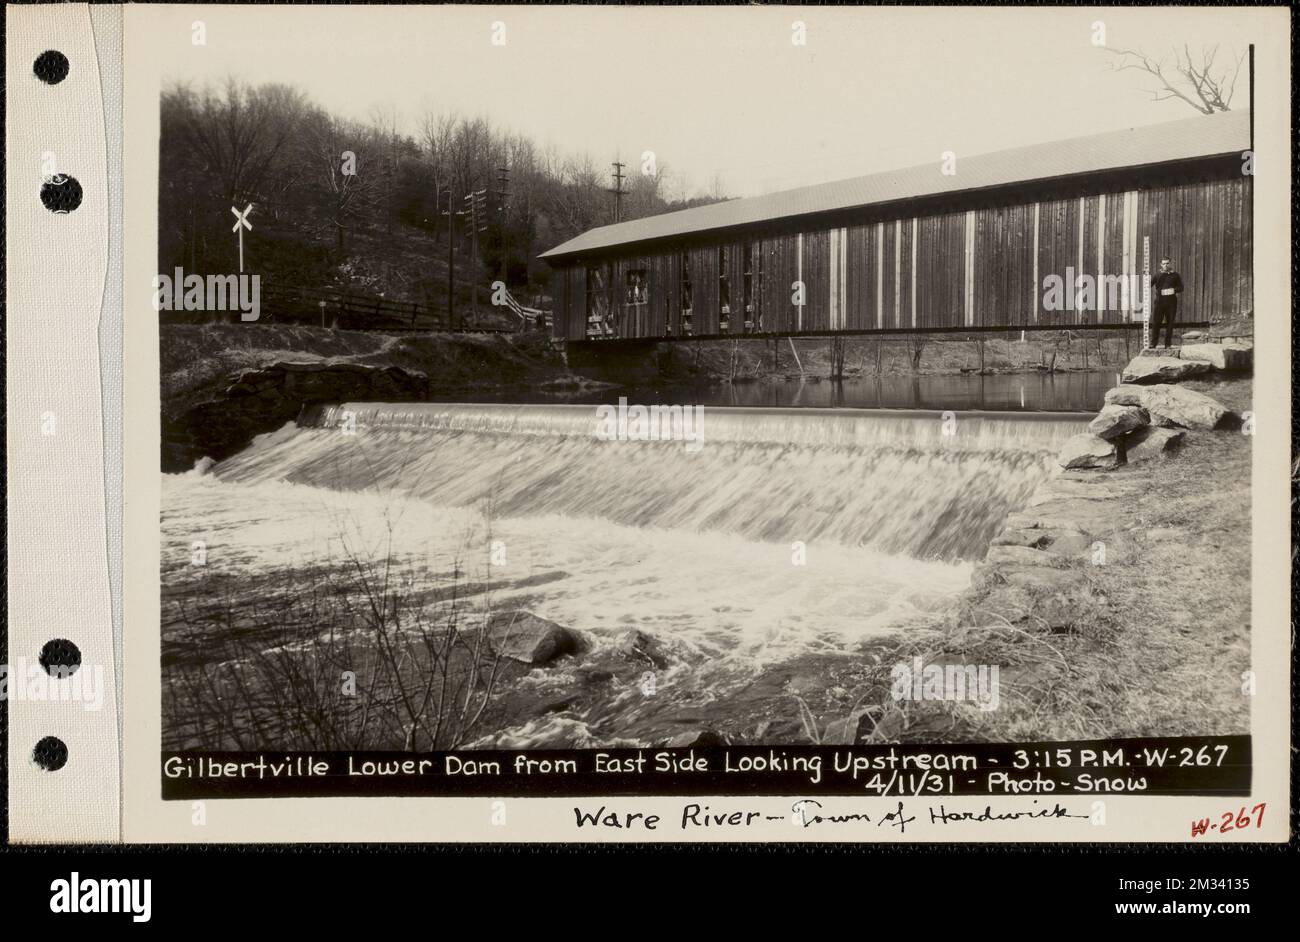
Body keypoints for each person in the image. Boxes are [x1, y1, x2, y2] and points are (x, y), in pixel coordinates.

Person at [1150, 255, 1184, 349]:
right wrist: (1145, 277)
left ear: (1170, 264)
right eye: (1164, 264)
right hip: (1159, 302)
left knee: (1170, 324)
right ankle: (1153, 343)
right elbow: (1148, 284)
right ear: (1161, 265)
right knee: (1156, 322)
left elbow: (1181, 287)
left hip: (1171, 303)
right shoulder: (1157, 275)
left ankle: (1167, 344)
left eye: (1167, 263)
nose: (1165, 265)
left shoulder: (1175, 275)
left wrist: (1173, 290)